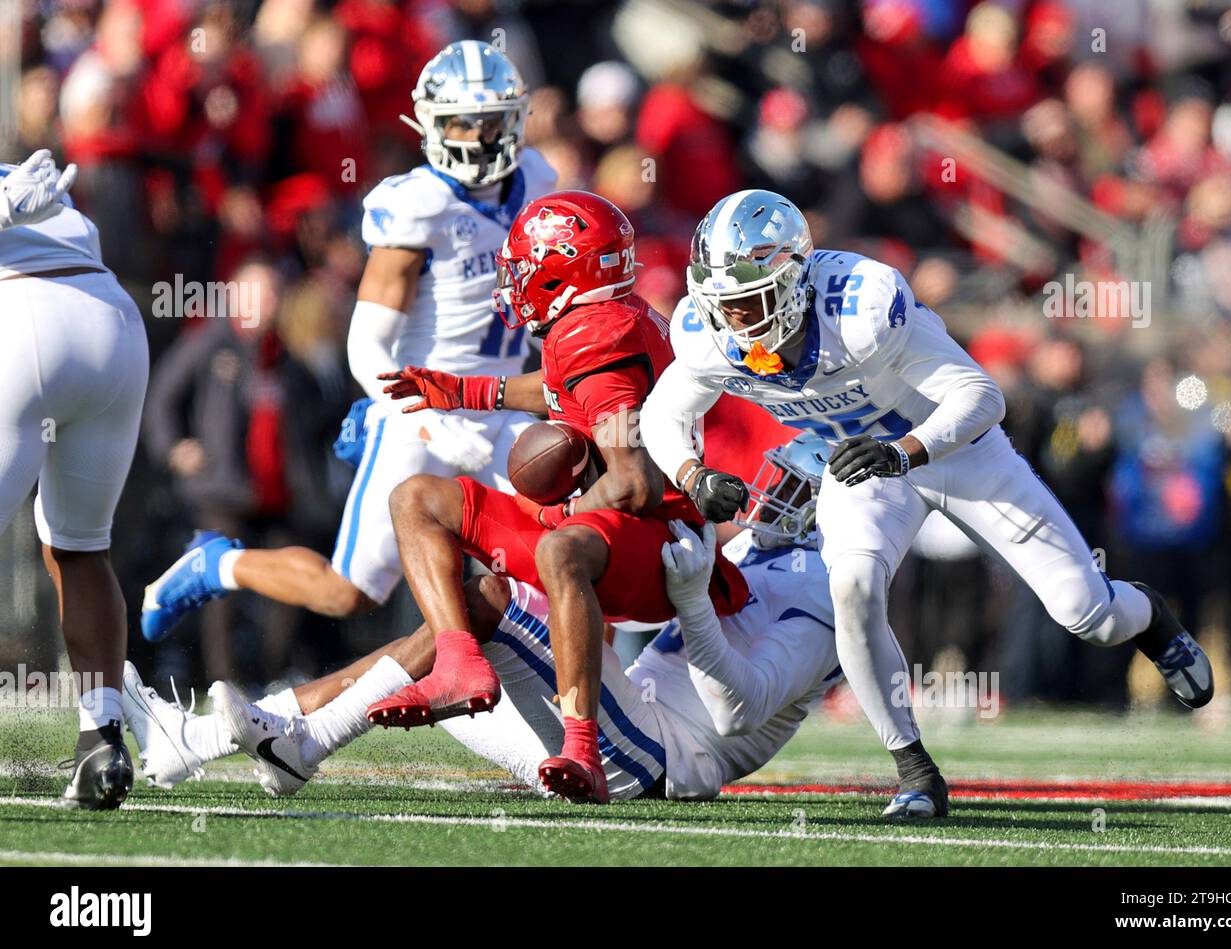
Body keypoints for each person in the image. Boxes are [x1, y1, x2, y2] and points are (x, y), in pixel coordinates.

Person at [639, 189, 1215, 811]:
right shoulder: (710, 338)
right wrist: (693, 474)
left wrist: (907, 449)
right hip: (863, 464)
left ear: (793, 279)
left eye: (750, 302)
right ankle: (915, 771)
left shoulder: (858, 306)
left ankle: (1150, 617)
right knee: (852, 588)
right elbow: (662, 415)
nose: (738, 322)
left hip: (951, 448)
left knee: (1087, 615)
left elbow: (981, 397)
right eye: (723, 306)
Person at [120, 435, 947, 818]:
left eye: (793, 494)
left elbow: (738, 709)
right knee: (466, 622)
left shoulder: (829, 597)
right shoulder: (765, 555)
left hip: (654, 762)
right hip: (613, 730)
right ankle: (229, 741)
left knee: (484, 606)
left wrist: (694, 602)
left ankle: (293, 742)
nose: (770, 499)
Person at [139, 41, 555, 637]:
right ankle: (218, 564)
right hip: (425, 409)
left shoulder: (537, 180)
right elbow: (366, 350)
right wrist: (429, 422)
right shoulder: (420, 207)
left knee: (557, 552)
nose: (481, 137)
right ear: (431, 123)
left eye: (492, 122)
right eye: (464, 122)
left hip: (501, 403)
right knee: (350, 592)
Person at [367, 190, 751, 803]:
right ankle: (459, 658)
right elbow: (559, 389)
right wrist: (460, 390)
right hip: (635, 529)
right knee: (418, 498)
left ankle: (582, 748)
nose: (516, 278)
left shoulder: (596, 336)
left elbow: (632, 482)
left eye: (525, 265)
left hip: (659, 541)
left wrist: (560, 512)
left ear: (563, 266)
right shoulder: (604, 321)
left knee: (560, 550)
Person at [0, 149, 149, 809]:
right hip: (111, 322)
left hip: (22, 321)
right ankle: (101, 741)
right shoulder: (27, 179)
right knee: (80, 547)